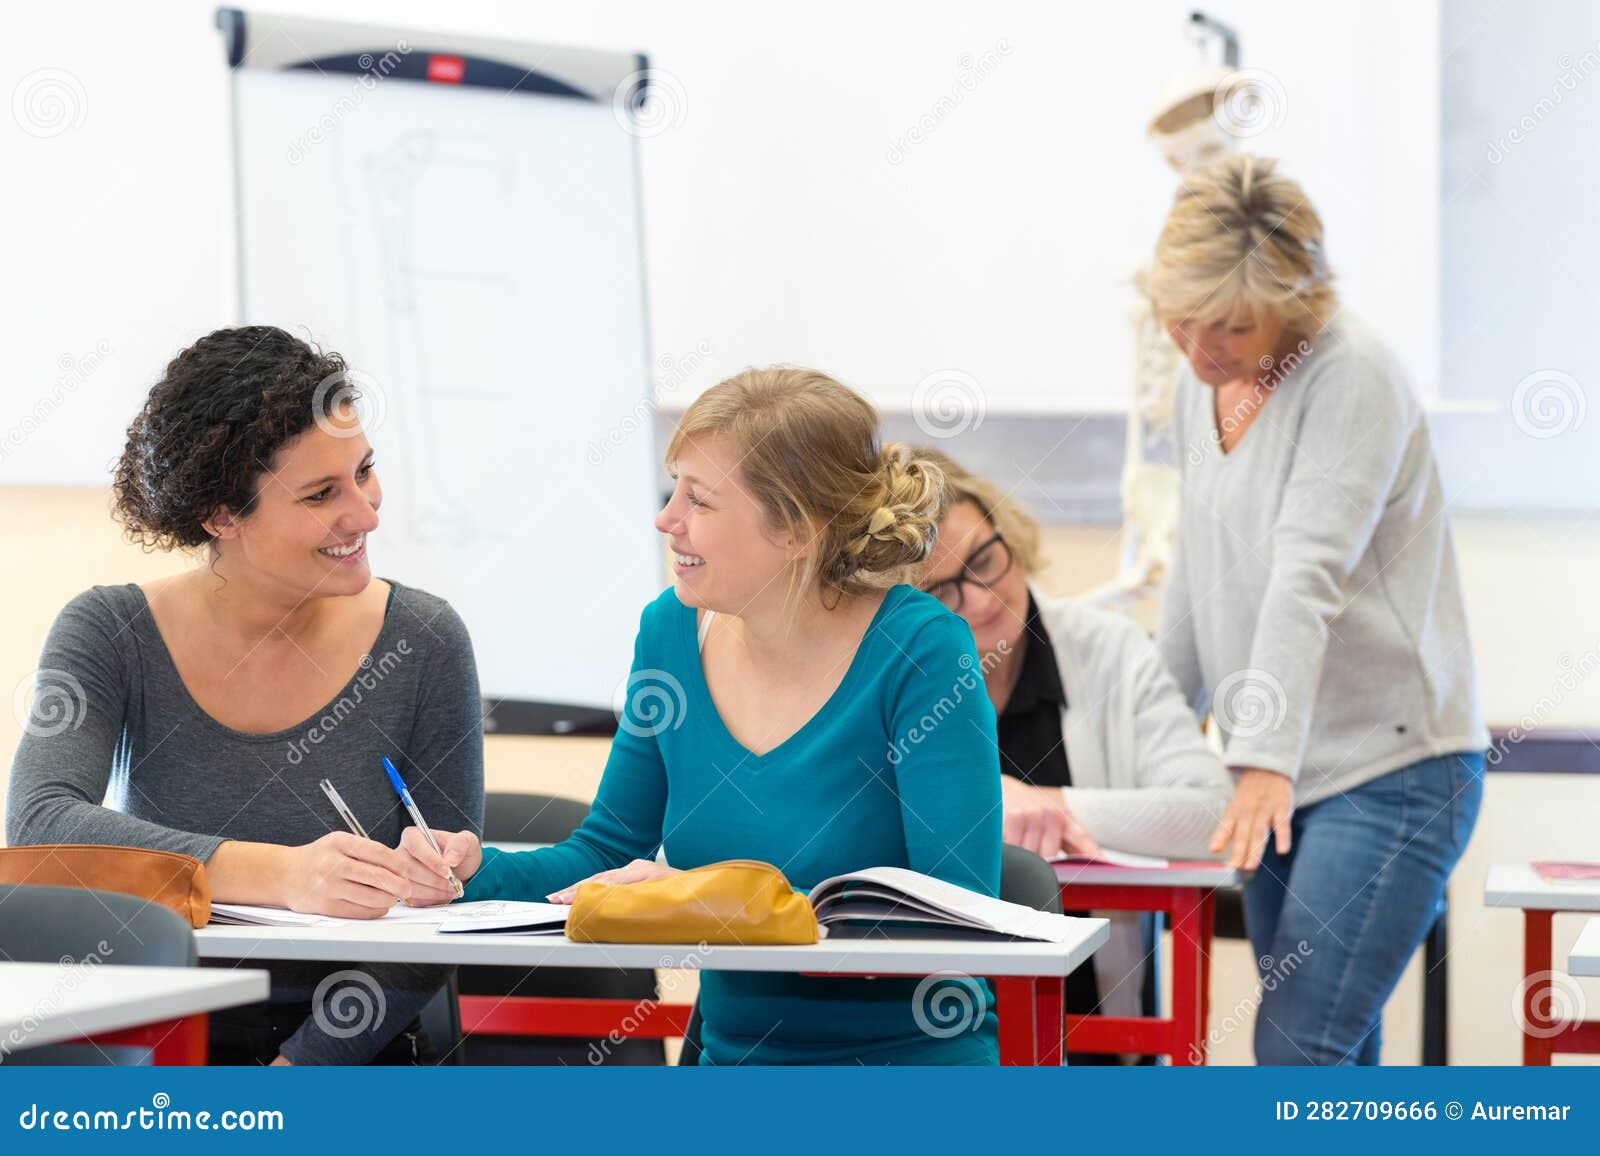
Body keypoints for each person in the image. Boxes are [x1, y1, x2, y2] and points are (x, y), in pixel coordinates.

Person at [399, 367, 1003, 1065]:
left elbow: (957, 917)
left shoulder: (922, 651)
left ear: (798, 533)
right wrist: (470, 873)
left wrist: (708, 899)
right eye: (672, 488)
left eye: (702, 501)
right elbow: (604, 855)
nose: (667, 519)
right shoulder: (669, 634)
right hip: (734, 1067)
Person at [6, 326, 485, 1065]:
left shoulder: (424, 639)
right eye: (322, 493)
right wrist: (286, 875)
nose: (365, 513)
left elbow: (430, 935)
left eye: (365, 471)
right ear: (220, 515)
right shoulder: (109, 631)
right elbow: (42, 827)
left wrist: (295, 1075)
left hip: (353, 1063)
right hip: (152, 1047)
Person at [1146, 155, 1488, 1064]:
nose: (1200, 349)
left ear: (1296, 302)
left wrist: (1258, 756)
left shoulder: (1353, 376)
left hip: (1394, 768)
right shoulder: (1198, 383)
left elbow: (1307, 572)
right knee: (1335, 1053)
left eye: (1229, 326)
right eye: (1182, 322)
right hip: (1284, 772)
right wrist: (1152, 726)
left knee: (1300, 1047)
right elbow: (1197, 570)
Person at [917, 448, 1229, 1035]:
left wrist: (1048, 806)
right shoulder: (888, 676)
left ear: (1012, 538)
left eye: (986, 560)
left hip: (1089, 1024)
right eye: (942, 590)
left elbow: (1212, 814)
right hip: (923, 1030)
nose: (982, 598)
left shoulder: (1110, 651)